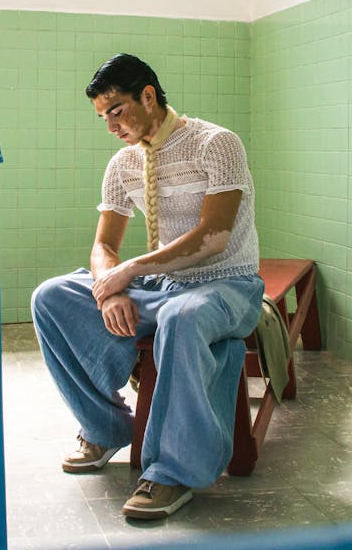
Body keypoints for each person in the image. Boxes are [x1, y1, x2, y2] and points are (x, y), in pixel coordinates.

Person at [31, 53, 264, 520]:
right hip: (161, 285)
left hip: (226, 285)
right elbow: (103, 246)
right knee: (50, 296)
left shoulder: (215, 144)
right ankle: (104, 427)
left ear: (149, 96)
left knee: (183, 315)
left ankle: (172, 472)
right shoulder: (122, 165)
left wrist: (130, 271)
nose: (111, 126)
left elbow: (213, 237)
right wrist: (109, 285)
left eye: (116, 111)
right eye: (102, 117)